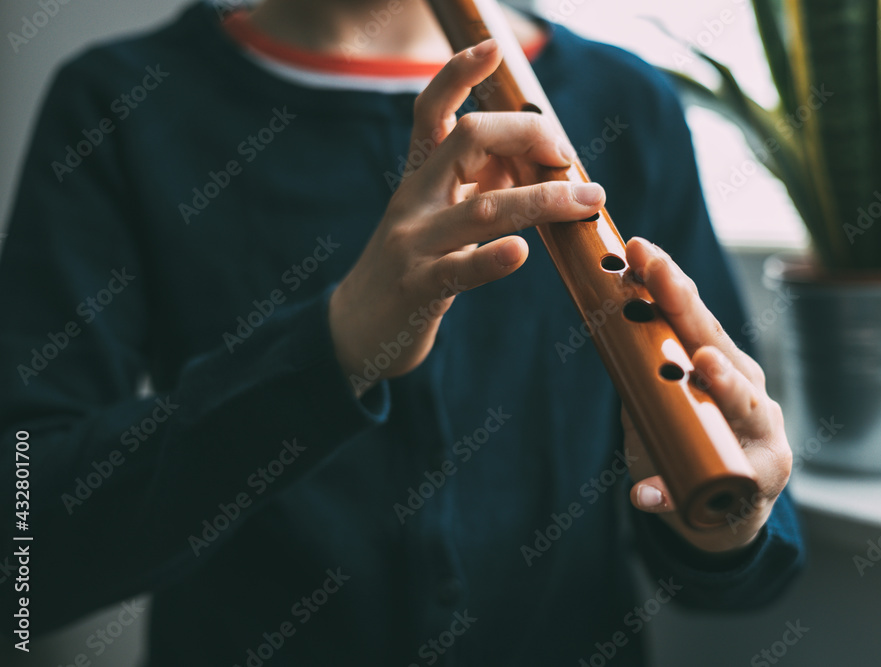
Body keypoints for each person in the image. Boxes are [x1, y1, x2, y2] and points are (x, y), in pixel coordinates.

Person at [0, 0, 803, 663]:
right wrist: (336, 344)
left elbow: (735, 567)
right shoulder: (116, 101)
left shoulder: (627, 102)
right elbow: (28, 548)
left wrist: (728, 527)